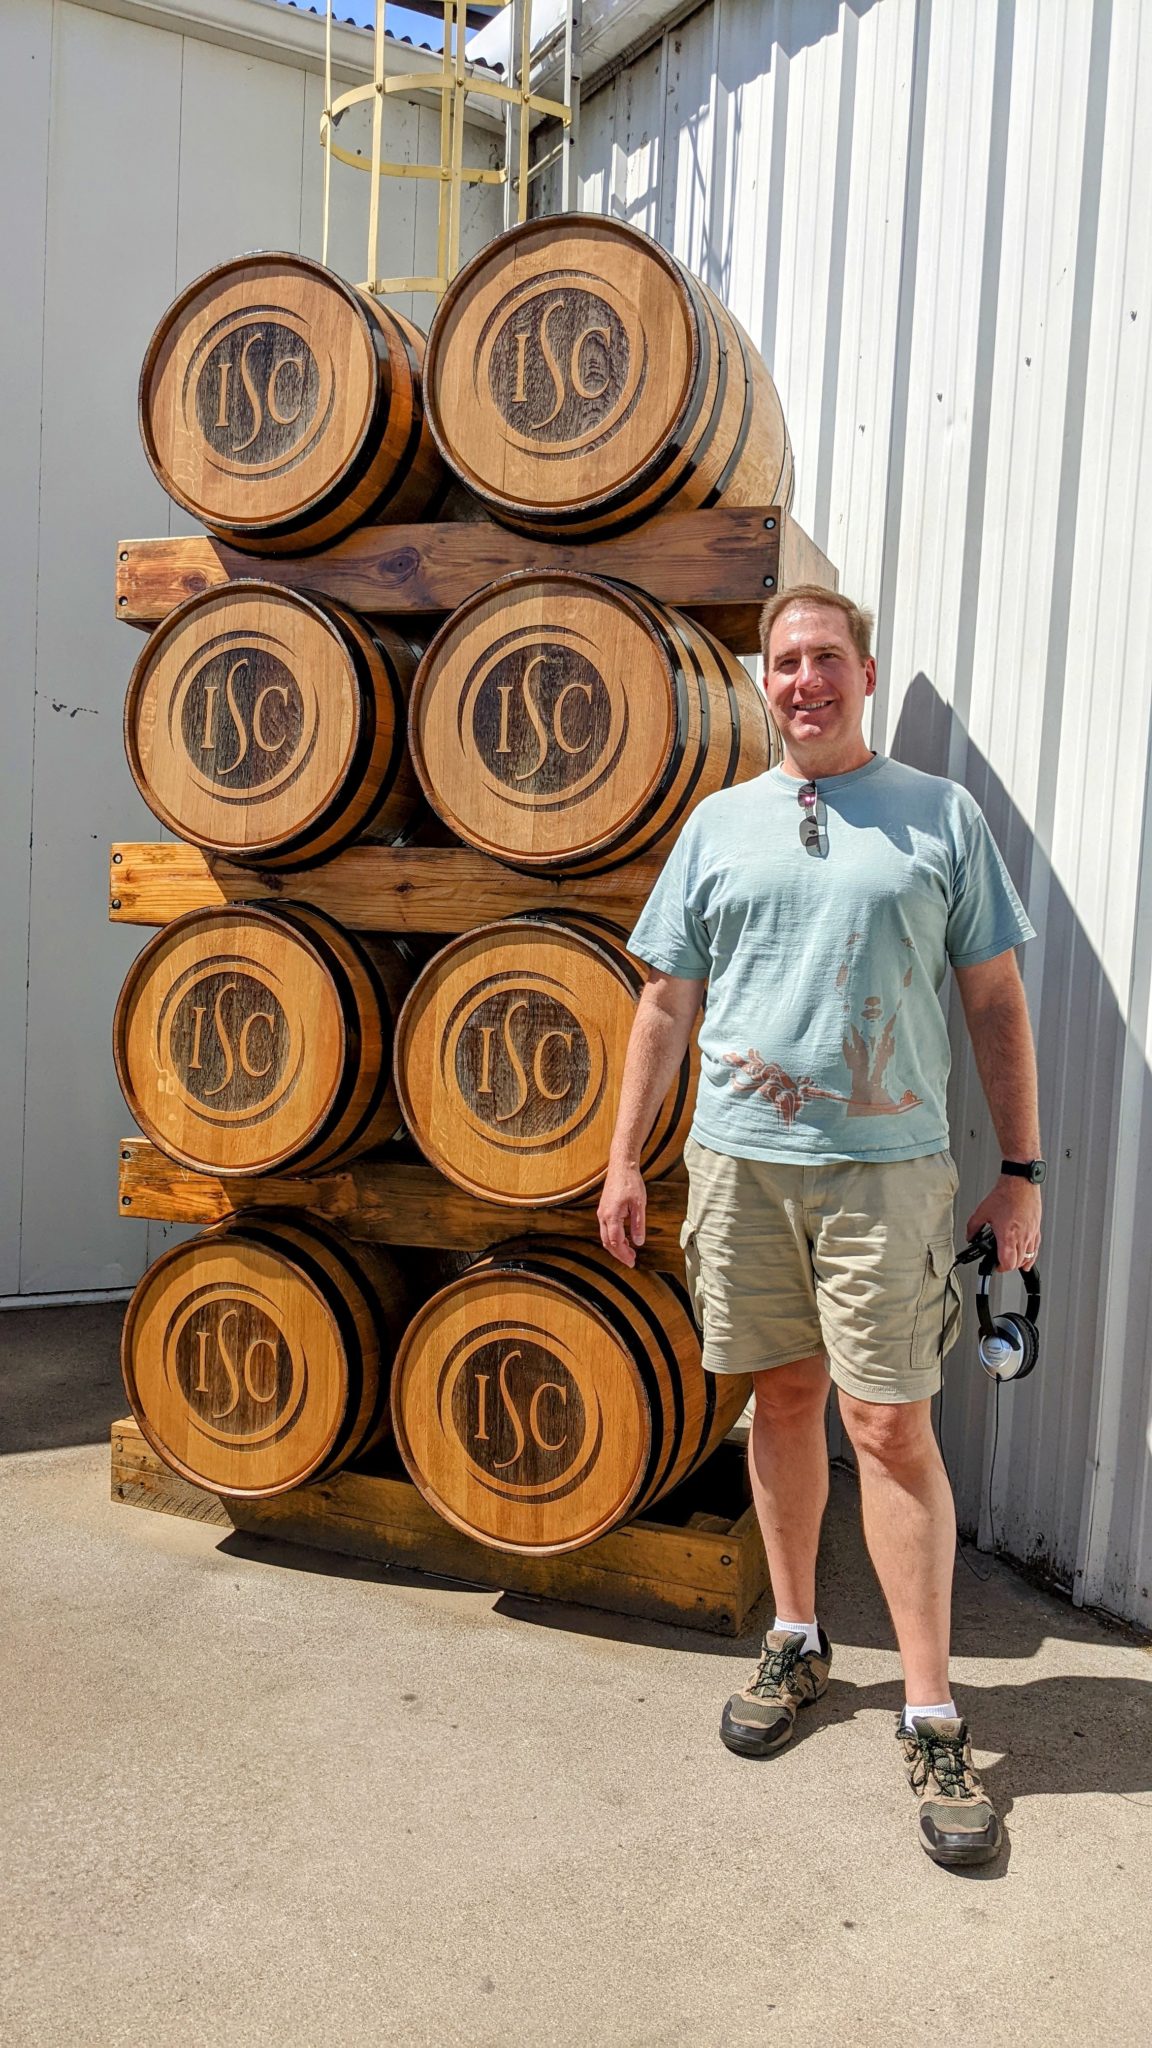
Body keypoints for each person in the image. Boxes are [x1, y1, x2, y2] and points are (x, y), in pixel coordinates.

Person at [597, 585, 1043, 1869]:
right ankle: (795, 1637)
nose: (806, 679)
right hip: (742, 1166)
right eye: (786, 661)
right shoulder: (718, 823)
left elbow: (995, 1001)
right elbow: (665, 1002)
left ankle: (933, 1710)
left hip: (886, 1176)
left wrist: (1020, 1170)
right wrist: (624, 1156)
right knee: (780, 1402)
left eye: (827, 658)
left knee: (891, 1427)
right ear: (766, 680)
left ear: (866, 672)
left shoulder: (939, 816)